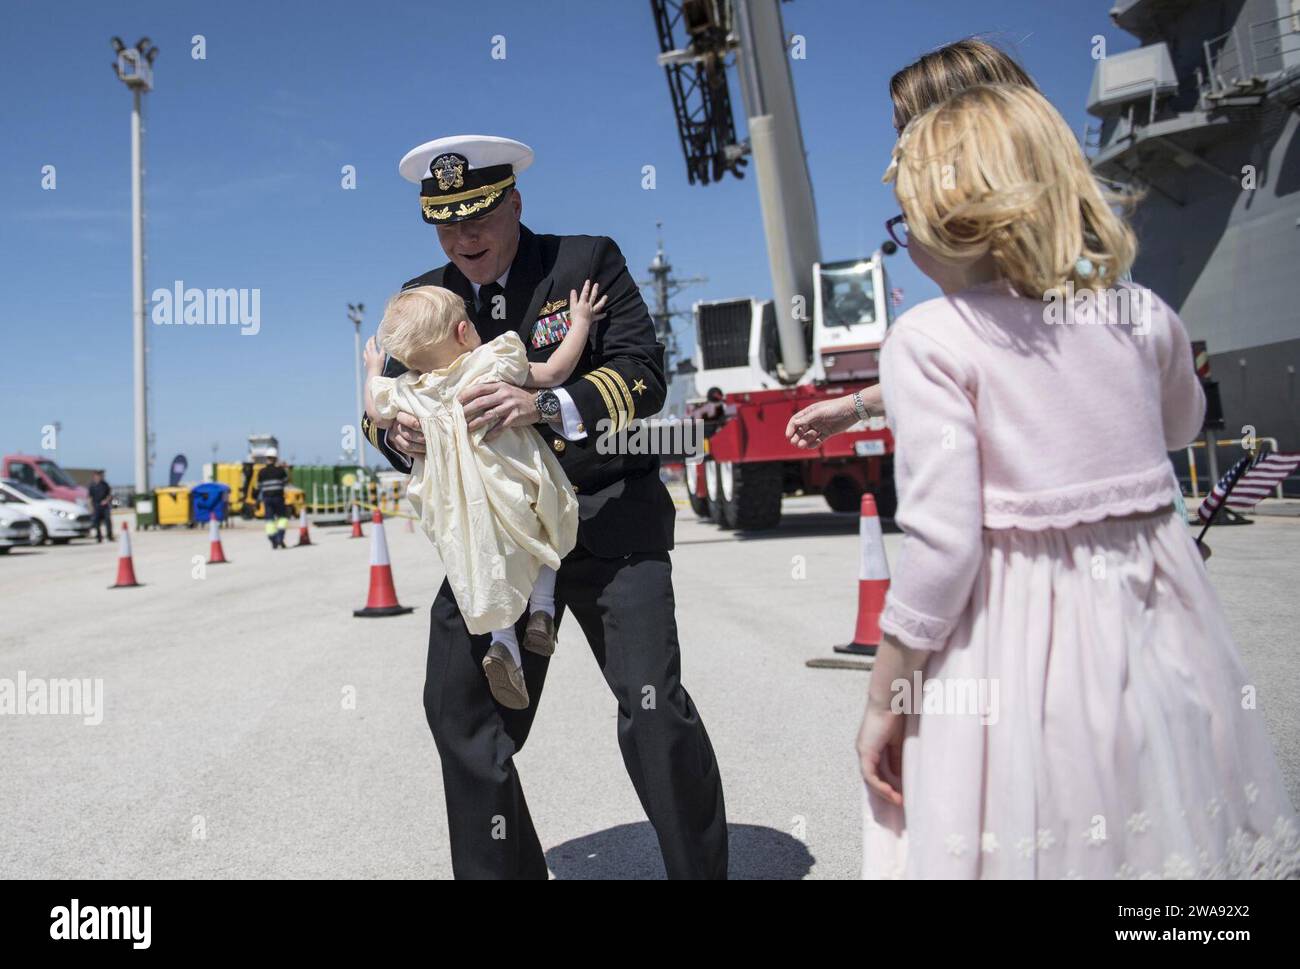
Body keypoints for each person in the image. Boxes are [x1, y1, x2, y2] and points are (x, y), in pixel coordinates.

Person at [856, 82, 1298, 879]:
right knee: (1161, 842)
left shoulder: (928, 340)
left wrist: (885, 697)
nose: (907, 246)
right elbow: (1180, 427)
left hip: (1012, 657)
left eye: (906, 223)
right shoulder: (1143, 313)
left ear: (950, 217)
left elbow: (944, 549)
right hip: (1161, 639)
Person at [362, 135, 728, 879]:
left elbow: (642, 373)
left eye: (479, 217)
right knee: (459, 711)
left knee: (654, 712)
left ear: (515, 203)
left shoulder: (584, 262)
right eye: (446, 223)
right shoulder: (426, 294)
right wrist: (394, 431)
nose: (463, 238)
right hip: (501, 542)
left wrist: (546, 404)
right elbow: (386, 406)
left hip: (606, 520)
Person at [362, 280, 608, 709]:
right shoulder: (489, 362)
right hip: (509, 485)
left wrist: (371, 370)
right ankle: (544, 611)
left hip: (458, 508)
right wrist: (581, 322)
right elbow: (555, 372)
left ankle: (504, 646)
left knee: (483, 567)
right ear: (463, 332)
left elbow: (374, 412)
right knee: (547, 531)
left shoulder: (409, 390)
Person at [785, 38, 1037, 451]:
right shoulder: (1099, 290)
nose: (894, 153)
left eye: (904, 131)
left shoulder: (928, 336)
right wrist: (853, 407)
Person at [255, 451, 289, 549]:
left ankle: (273, 539)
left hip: (267, 499)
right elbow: (286, 482)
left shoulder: (261, 472)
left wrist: (258, 500)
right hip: (278, 498)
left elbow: (259, 487)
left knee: (269, 520)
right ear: (276, 459)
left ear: (267, 459)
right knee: (282, 518)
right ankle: (280, 537)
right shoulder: (281, 471)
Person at [88, 471, 113, 542]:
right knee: (97, 522)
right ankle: (99, 537)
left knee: (108, 520)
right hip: (96, 506)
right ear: (94, 477)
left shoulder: (105, 484)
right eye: (96, 476)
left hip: (105, 506)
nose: (98, 477)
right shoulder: (92, 486)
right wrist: (91, 507)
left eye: (99, 476)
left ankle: (109, 536)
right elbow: (90, 497)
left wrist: (106, 501)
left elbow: (110, 495)